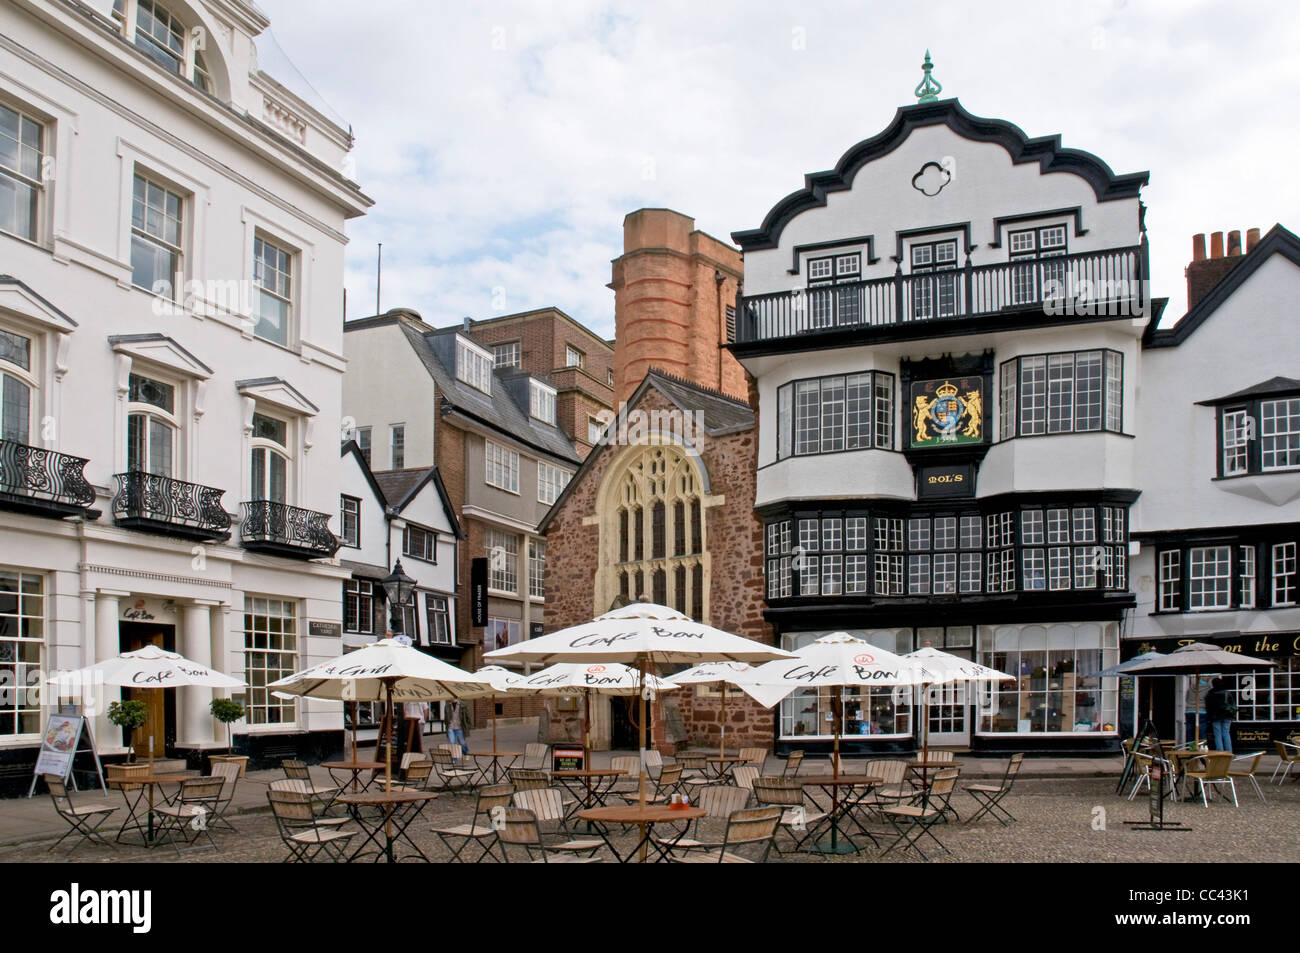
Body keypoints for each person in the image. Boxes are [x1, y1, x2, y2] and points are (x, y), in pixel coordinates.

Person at [1206, 678, 1236, 753]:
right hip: (1227, 715)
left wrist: (1210, 717)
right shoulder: (1227, 693)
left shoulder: (1210, 694)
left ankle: (1220, 752)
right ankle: (1229, 752)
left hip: (1215, 717)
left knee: (1217, 735)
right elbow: (1233, 704)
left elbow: (1208, 707)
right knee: (1226, 733)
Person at [1184, 675, 1211, 747]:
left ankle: (1191, 749)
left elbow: (1186, 698)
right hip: (1201, 711)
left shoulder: (1190, 687)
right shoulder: (1207, 688)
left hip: (1189, 710)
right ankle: (1202, 749)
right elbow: (1209, 700)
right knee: (1202, 733)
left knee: (1190, 733)